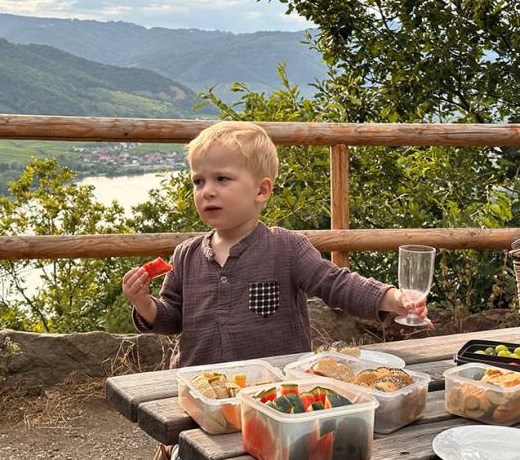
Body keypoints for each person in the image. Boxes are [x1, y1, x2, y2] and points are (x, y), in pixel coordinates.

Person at [122, 121, 427, 460]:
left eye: (222, 179)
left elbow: (335, 283)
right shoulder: (187, 255)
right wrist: (145, 305)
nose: (207, 190)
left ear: (261, 190)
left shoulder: (286, 248)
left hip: (276, 400)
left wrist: (392, 299)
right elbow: (173, 318)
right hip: (205, 403)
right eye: (198, 180)